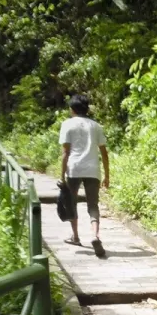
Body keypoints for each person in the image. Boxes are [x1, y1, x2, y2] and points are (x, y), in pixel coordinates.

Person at [59, 94, 110, 257]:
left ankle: (75, 236)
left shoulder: (67, 124)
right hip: (93, 169)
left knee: (71, 202)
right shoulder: (96, 126)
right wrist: (107, 175)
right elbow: (104, 152)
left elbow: (66, 152)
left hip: (74, 169)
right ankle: (95, 236)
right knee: (93, 205)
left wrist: (62, 175)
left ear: (72, 109)